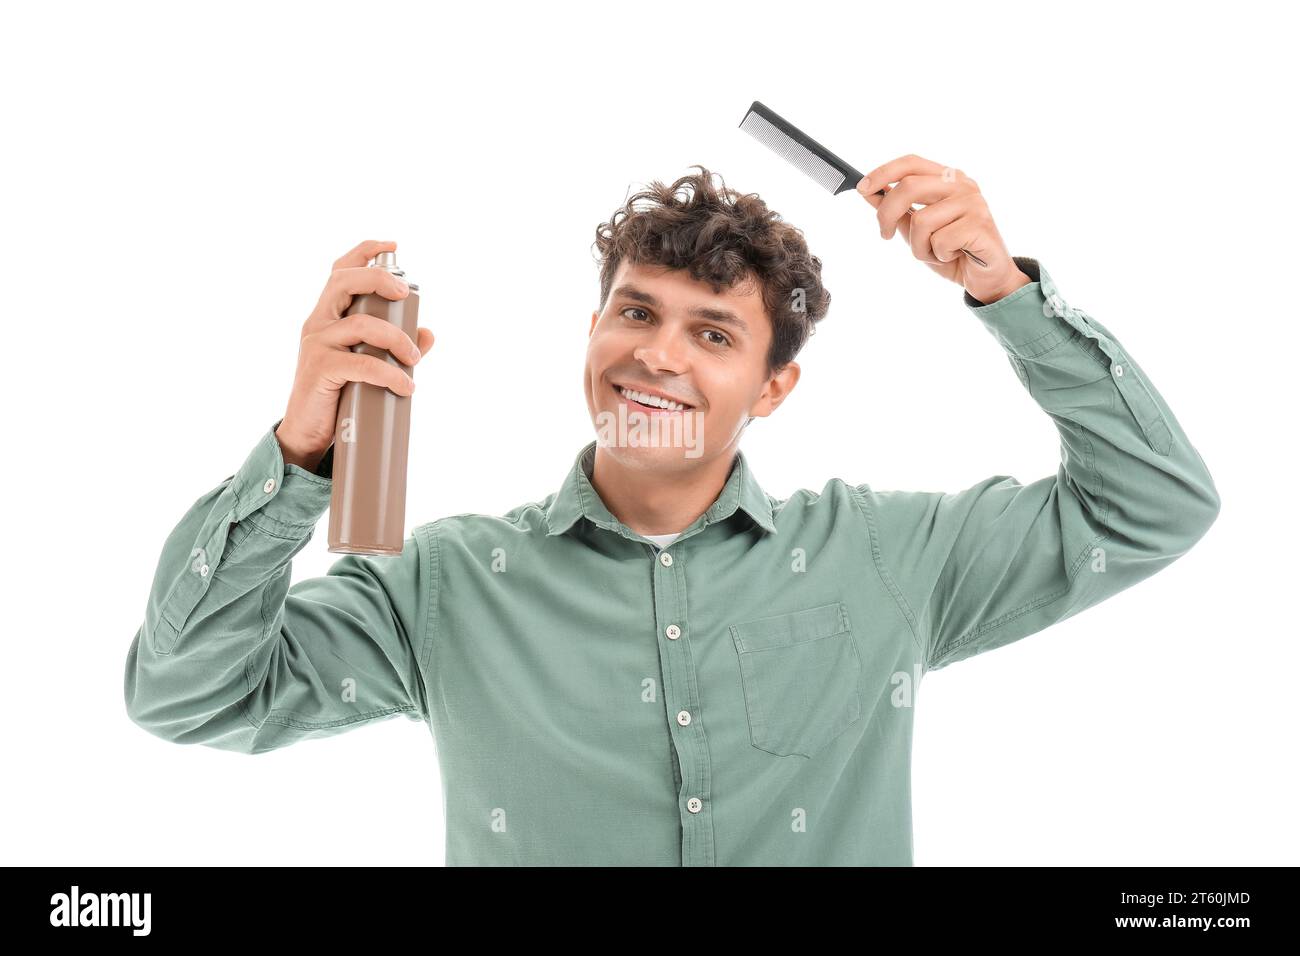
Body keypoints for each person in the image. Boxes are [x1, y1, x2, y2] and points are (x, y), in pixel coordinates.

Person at [124, 158, 1220, 866]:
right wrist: (300, 455)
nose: (656, 353)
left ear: (772, 386)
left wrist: (1006, 294)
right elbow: (187, 693)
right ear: (591, 332)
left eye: (712, 333)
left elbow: (1154, 503)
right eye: (635, 312)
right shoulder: (447, 581)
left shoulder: (890, 557)